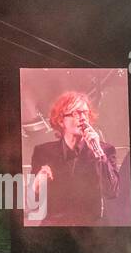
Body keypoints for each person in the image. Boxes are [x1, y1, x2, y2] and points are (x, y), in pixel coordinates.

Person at [27, 91, 120, 226]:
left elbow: (112, 192)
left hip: (91, 230)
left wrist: (98, 152)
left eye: (85, 113)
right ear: (61, 120)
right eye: (76, 113)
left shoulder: (105, 150)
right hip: (55, 228)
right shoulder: (43, 152)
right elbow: (31, 204)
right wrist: (36, 185)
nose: (83, 118)